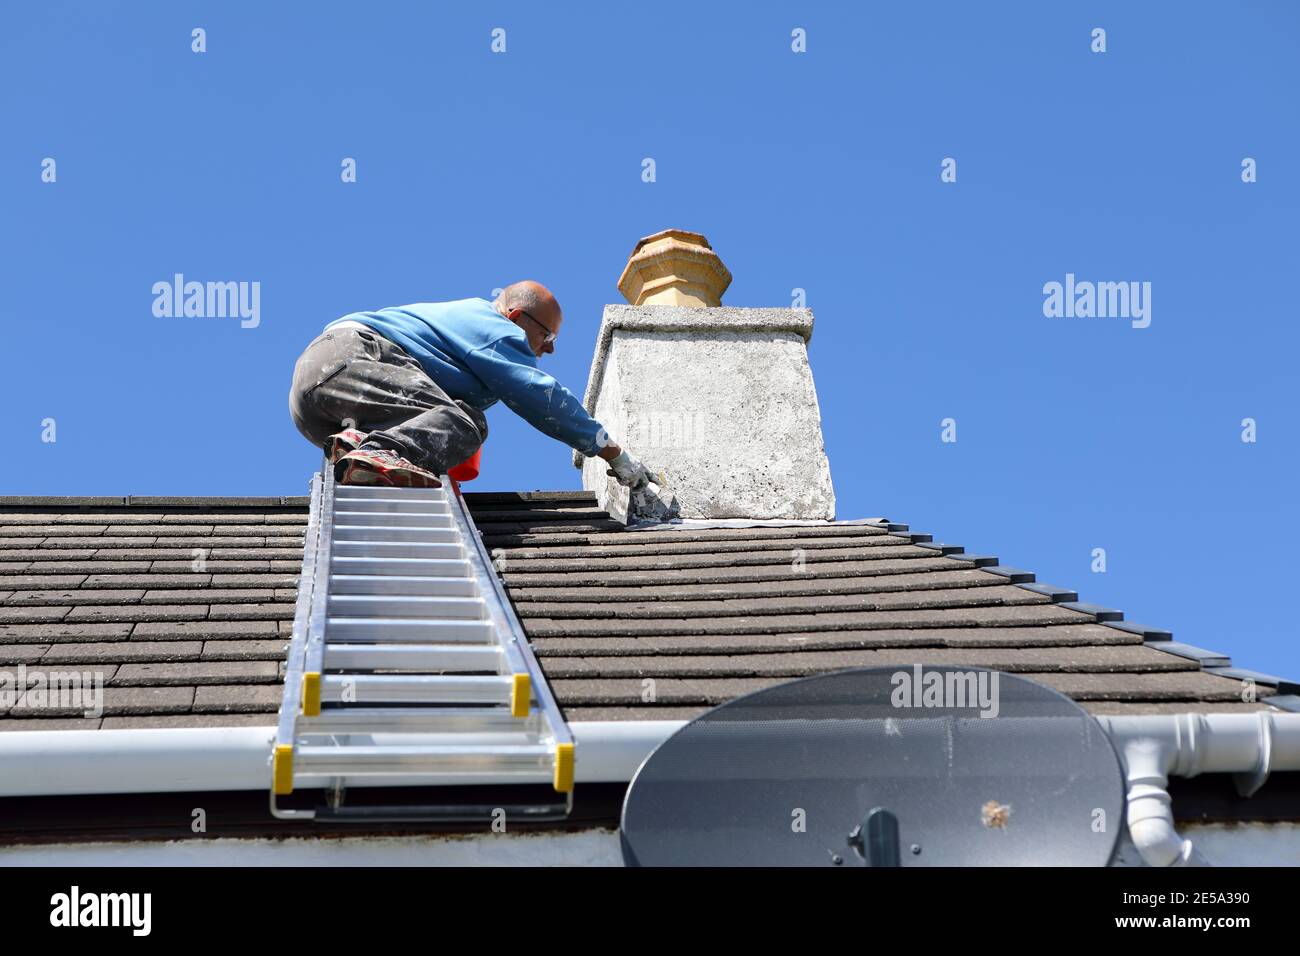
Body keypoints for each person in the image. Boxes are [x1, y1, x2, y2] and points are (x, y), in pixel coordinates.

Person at [288, 280, 652, 491]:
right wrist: (610, 451)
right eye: (548, 334)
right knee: (467, 422)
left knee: (446, 421)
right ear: (515, 317)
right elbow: (539, 394)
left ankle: (360, 444)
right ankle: (379, 452)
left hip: (314, 400)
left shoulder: (463, 330)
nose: (551, 348)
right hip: (355, 359)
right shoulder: (495, 328)